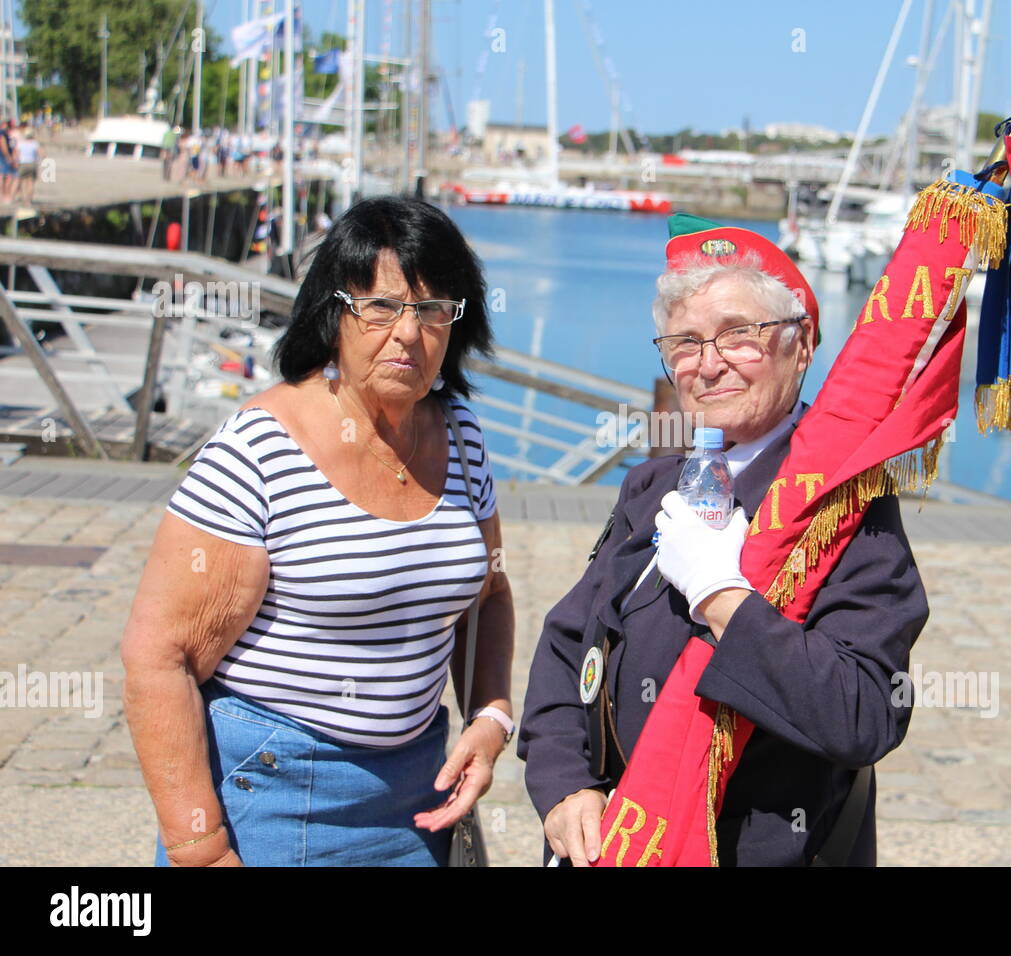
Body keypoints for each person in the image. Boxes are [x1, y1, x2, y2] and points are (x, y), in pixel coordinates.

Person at [518, 214, 930, 866]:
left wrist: (722, 597)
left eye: (739, 335)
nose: (707, 366)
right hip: (619, 842)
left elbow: (863, 714)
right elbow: (570, 643)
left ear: (802, 342)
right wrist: (563, 783)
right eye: (684, 343)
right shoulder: (654, 484)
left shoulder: (842, 505)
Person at [122, 196, 515, 866]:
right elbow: (157, 656)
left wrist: (491, 715)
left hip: (419, 799)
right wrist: (202, 850)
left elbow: (489, 594)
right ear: (335, 314)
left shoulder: (462, 436)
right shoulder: (259, 451)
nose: (408, 335)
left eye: (432, 310)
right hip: (273, 799)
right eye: (381, 306)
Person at [13, 126, 42, 205]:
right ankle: (29, 200)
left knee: (22, 182)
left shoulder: (20, 143)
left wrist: (15, 162)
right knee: (31, 183)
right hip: (32, 163)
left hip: (22, 163)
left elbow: (16, 154)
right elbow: (42, 154)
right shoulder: (35, 143)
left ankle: (23, 199)